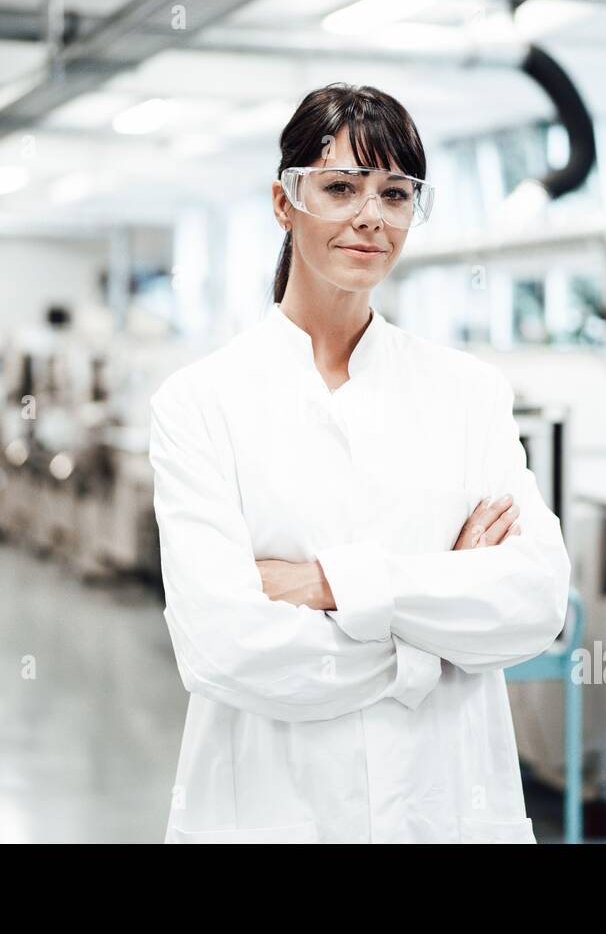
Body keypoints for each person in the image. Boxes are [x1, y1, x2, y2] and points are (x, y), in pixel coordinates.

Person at [149, 82, 571, 843]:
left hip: (445, 808)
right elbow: (225, 647)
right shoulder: (201, 402)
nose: (371, 216)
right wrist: (437, 643)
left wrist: (321, 586)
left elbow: (535, 602)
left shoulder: (468, 392)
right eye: (340, 187)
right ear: (285, 202)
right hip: (272, 812)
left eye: (395, 193)